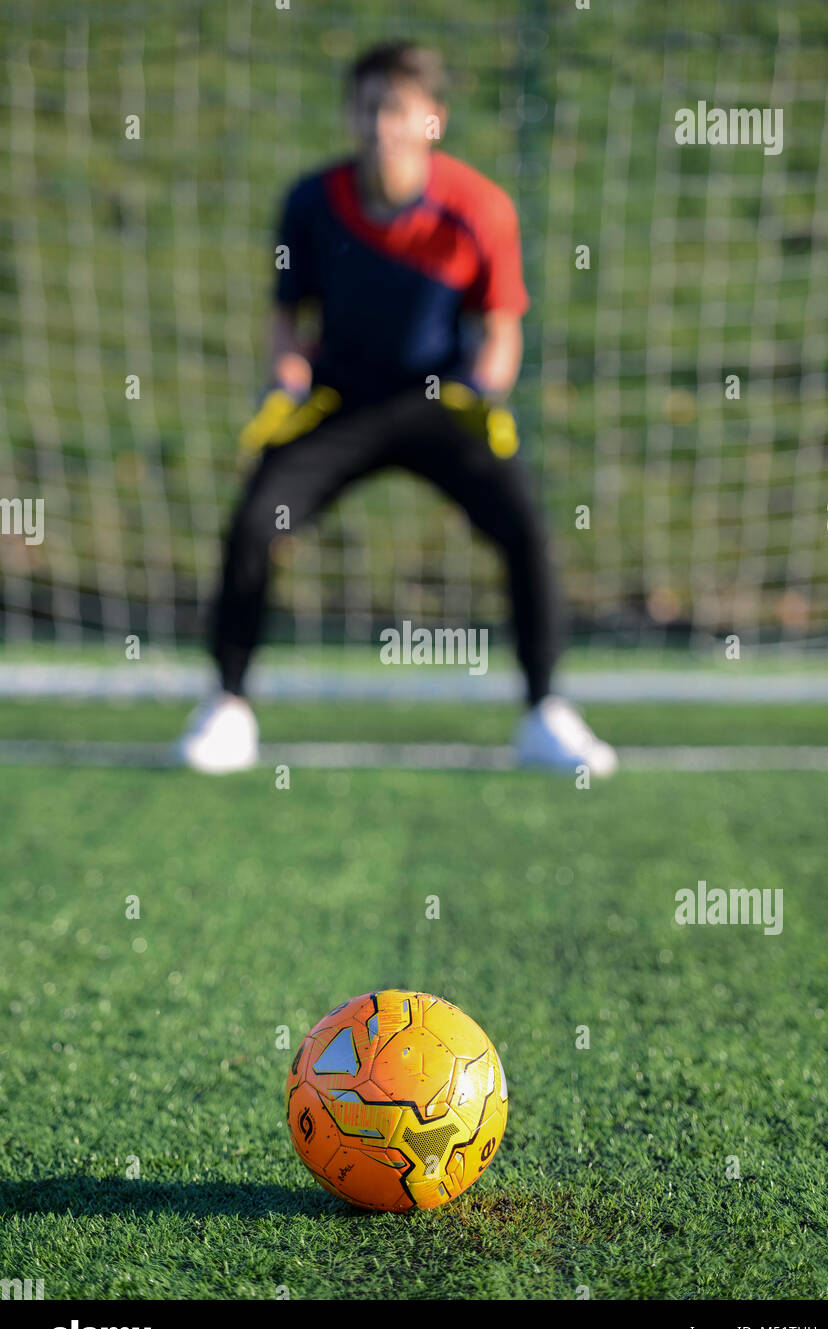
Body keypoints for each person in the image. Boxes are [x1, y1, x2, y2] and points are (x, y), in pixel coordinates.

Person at [178, 40, 616, 777]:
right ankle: (227, 705)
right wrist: (285, 370)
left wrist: (485, 383)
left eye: (396, 109)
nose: (379, 123)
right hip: (337, 401)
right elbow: (288, 316)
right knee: (257, 521)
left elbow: (502, 331)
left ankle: (544, 710)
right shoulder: (311, 201)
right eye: (367, 106)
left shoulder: (479, 208)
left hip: (438, 402)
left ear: (433, 121)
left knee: (524, 528)